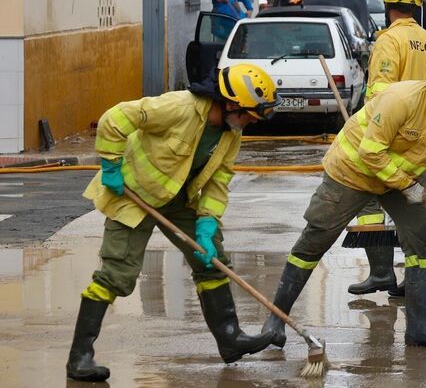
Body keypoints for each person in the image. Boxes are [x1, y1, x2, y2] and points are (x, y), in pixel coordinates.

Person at [260, 48, 426, 350]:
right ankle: (275, 319)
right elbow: (370, 152)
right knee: (314, 240)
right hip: (352, 173)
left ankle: (421, 328)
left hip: (400, 182)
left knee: (422, 240)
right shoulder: (402, 100)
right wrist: (407, 185)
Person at [66, 64, 280, 382]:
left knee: (212, 261)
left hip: (180, 200)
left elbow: (218, 181)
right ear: (232, 104)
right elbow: (117, 118)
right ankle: (80, 356)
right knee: (116, 274)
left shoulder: (231, 134)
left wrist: (207, 224)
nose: (252, 121)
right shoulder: (178, 107)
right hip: (132, 194)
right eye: (251, 114)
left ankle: (230, 339)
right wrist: (111, 163)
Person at [345, 0, 426, 299]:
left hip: (390, 141)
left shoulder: (389, 40)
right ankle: (416, 281)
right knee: (417, 212)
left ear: (387, 4)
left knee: (371, 203)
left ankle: (382, 272)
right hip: (422, 144)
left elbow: (380, 96)